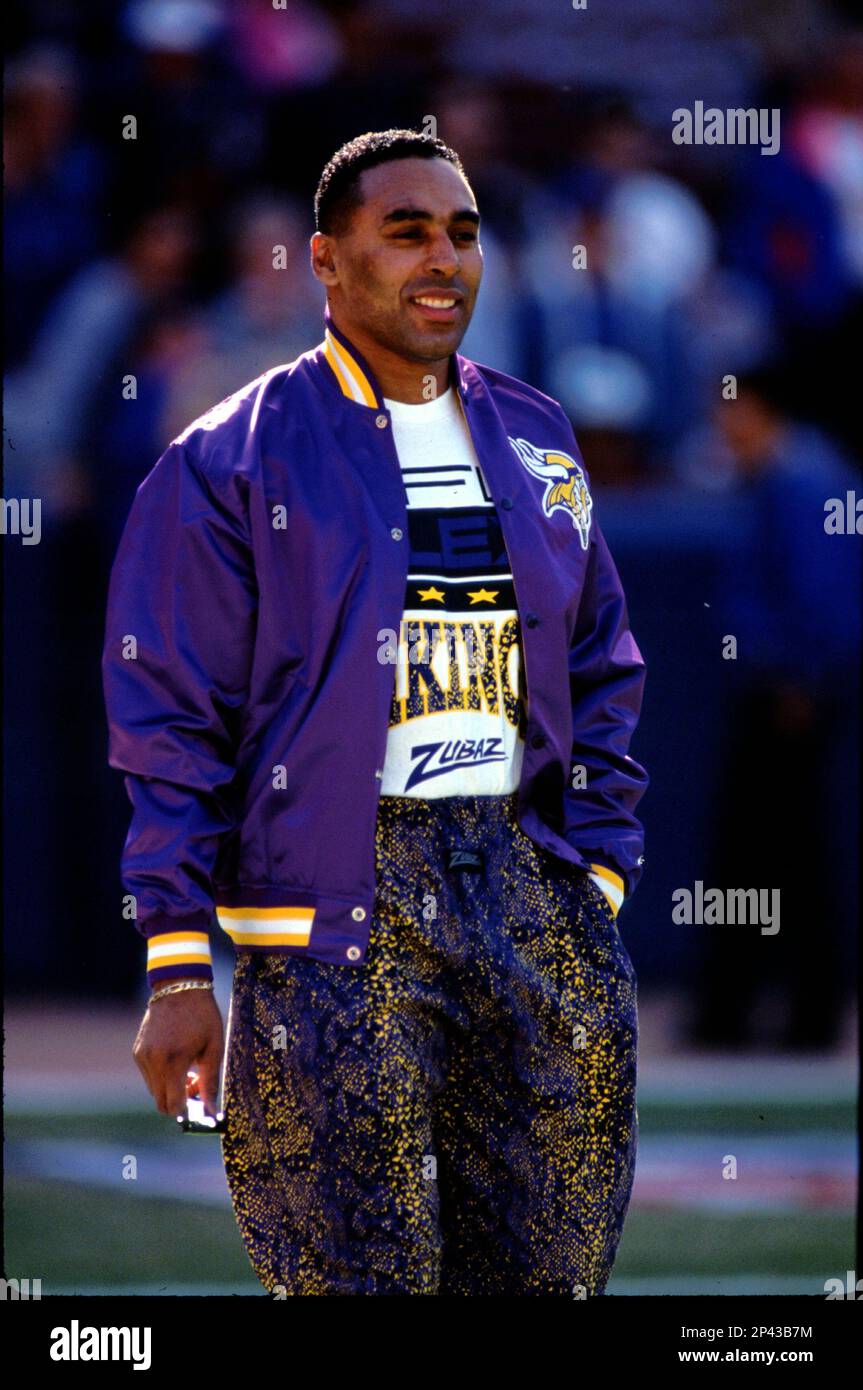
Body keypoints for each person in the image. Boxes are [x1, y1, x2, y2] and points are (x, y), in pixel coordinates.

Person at [103, 129, 648, 1296]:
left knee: (553, 1279)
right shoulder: (224, 458)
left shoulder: (539, 434)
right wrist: (177, 965)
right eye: (404, 232)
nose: (441, 258)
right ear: (326, 260)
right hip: (330, 923)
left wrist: (592, 881)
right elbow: (169, 720)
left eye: (460, 232)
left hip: (529, 887)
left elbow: (603, 667)